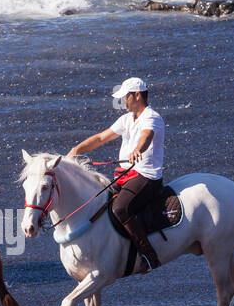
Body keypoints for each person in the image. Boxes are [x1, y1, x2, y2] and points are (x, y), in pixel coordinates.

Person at [66, 76, 165, 271]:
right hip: (127, 175)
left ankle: (148, 256)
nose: (122, 101)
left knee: (120, 208)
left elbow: (146, 136)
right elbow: (101, 138)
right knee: (101, 202)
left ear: (137, 95)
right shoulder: (127, 119)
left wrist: (138, 149)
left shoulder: (151, 117)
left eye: (125, 97)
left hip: (147, 176)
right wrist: (76, 150)